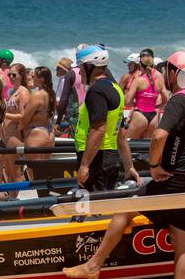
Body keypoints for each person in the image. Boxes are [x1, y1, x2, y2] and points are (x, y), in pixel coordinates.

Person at [64, 52, 185, 279]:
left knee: (124, 209)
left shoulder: (180, 100)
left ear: (176, 73)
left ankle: (94, 265)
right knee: (182, 244)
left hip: (174, 181)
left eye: (167, 69)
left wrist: (155, 165)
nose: (164, 74)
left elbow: (158, 136)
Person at [72, 44, 137, 191]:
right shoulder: (116, 89)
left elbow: (99, 129)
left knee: (94, 209)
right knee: (104, 207)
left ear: (90, 67)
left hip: (97, 159)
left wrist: (84, 165)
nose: (80, 72)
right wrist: (129, 166)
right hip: (110, 157)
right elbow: (120, 133)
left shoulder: (96, 91)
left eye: (81, 67)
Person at [124, 48, 165, 139]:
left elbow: (127, 101)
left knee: (126, 144)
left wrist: (135, 105)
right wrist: (156, 106)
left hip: (140, 115)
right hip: (154, 117)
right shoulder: (159, 78)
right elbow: (166, 99)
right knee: (147, 149)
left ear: (140, 64)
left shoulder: (138, 79)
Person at [20, 66, 58, 151]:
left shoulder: (37, 95)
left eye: (34, 77)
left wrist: (19, 130)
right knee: (46, 163)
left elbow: (25, 118)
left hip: (36, 133)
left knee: (33, 164)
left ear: (42, 79)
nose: (32, 79)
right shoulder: (51, 94)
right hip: (49, 133)